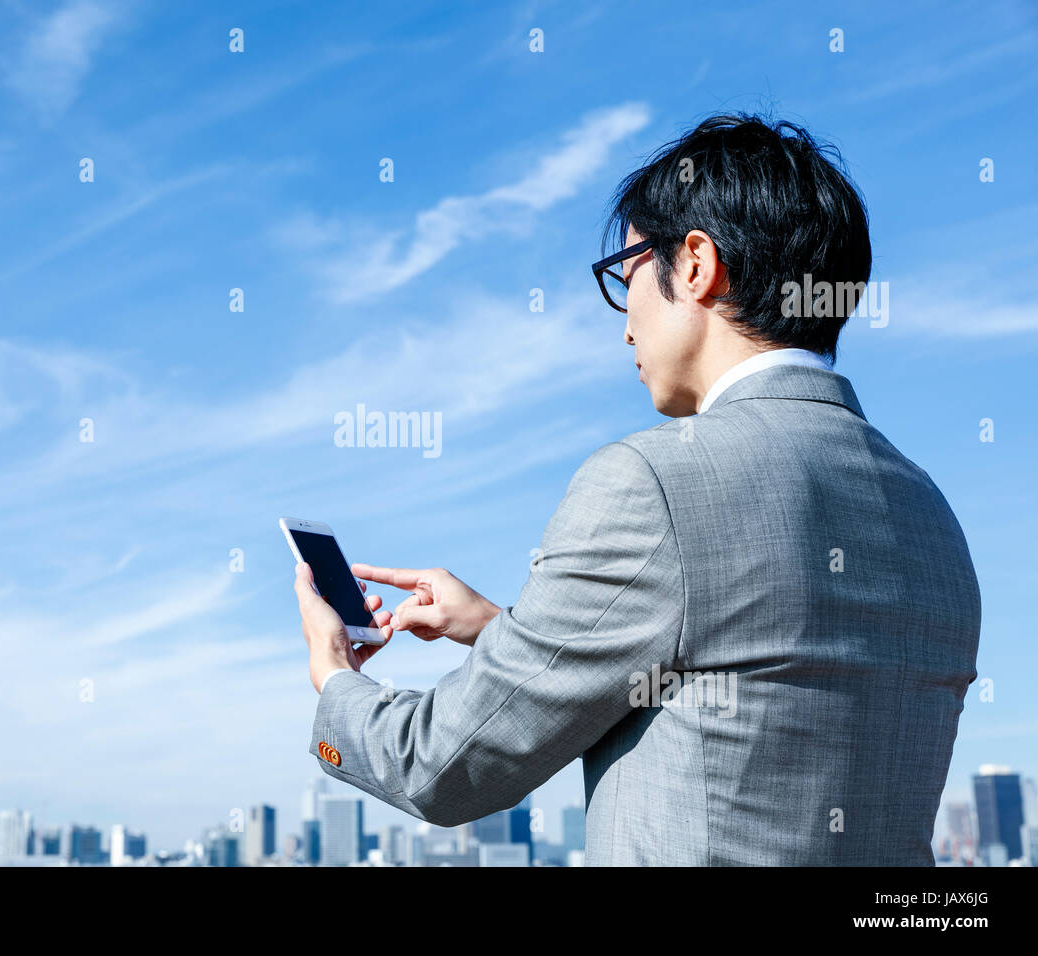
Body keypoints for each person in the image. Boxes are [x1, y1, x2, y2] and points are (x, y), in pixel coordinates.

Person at [290, 113, 981, 865]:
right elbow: (746, 673)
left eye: (626, 281)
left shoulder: (652, 483)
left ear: (694, 265)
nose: (625, 328)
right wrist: (503, 630)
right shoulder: (931, 514)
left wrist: (334, 680)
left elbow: (438, 768)